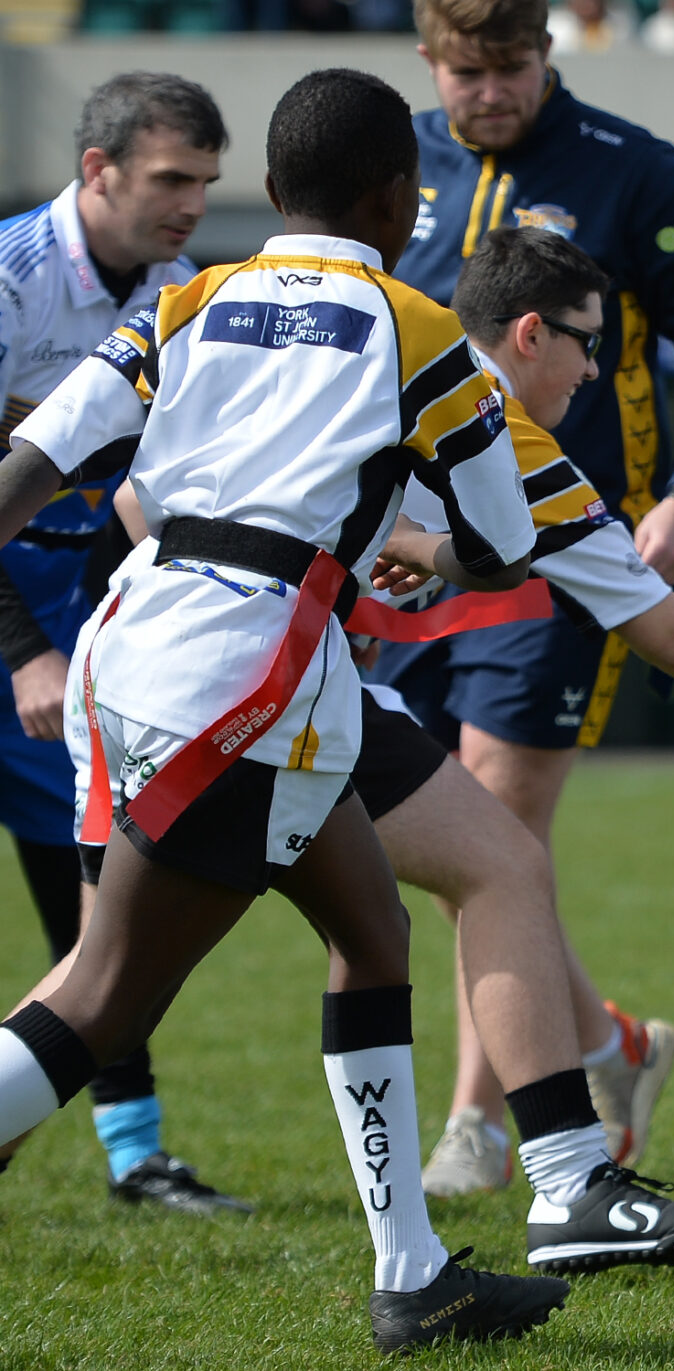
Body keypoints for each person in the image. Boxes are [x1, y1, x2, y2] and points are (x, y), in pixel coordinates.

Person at [28, 223, 674, 1275]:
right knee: (107, 992)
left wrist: (383, 549)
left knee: (438, 892)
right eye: (586, 343)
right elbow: (669, 629)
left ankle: (513, 1208)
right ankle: (548, 1191)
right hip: (246, 692)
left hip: (151, 663)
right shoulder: (483, 422)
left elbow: (144, 497)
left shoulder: (308, 345)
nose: (596, 369)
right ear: (525, 334)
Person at [0, 69, 570, 1353]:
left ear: (268, 189)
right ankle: (419, 1271)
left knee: (372, 935)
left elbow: (27, 473)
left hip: (131, 648)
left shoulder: (183, 303)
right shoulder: (419, 328)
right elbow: (503, 542)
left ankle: (415, 1274)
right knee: (102, 999)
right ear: (400, 198)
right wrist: (428, 549)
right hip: (247, 682)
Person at [376, 0, 674, 1191]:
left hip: (561, 553)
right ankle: (609, 1044)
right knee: (435, 838)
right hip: (411, 553)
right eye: (464, 71)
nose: (488, 93)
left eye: (511, 68)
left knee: (496, 827)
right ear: (430, 64)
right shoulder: (394, 164)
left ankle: (477, 1127)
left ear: (550, 56)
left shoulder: (632, 171)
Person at [0, 72, 246, 1214]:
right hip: (18, 613)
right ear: (97, 172)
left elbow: (159, 482)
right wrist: (24, 652)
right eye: (170, 180)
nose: (192, 202)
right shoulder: (10, 280)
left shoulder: (182, 289)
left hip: (76, 598)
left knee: (100, 897)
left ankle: (135, 1153)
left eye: (205, 180)